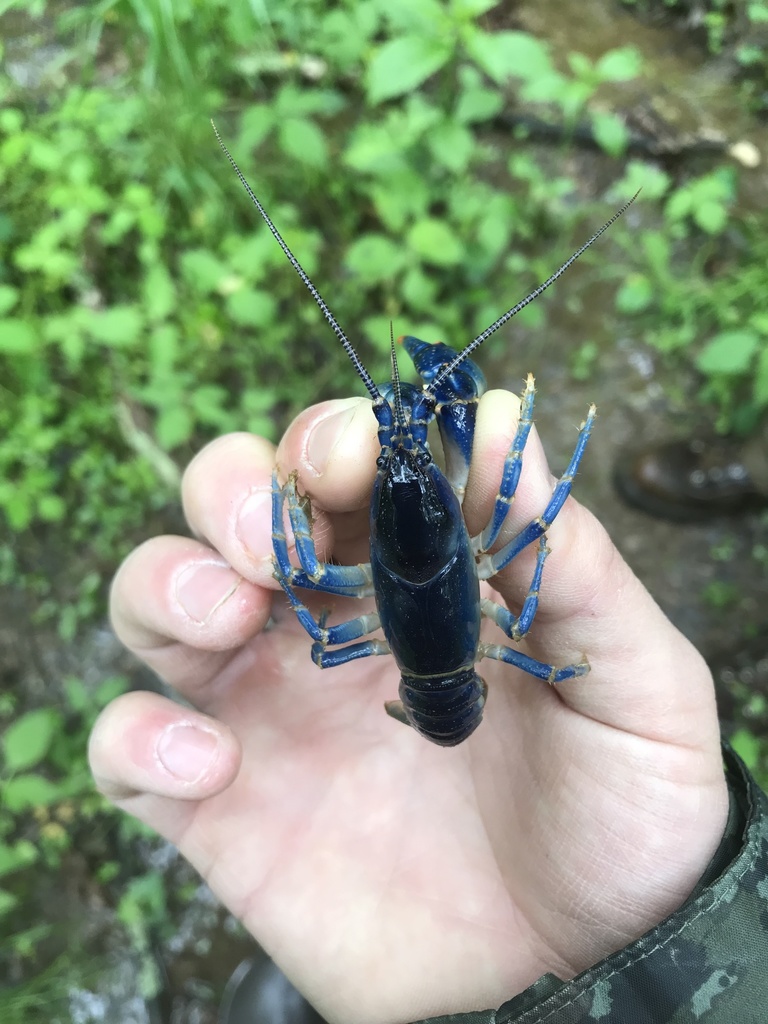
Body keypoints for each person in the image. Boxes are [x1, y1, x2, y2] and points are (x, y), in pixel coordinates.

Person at [89, 389, 768, 1023]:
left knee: (318, 574)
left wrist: (289, 516)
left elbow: (321, 619)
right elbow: (524, 529)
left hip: (435, 697)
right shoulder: (478, 550)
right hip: (444, 691)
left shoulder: (361, 581)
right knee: (512, 503)